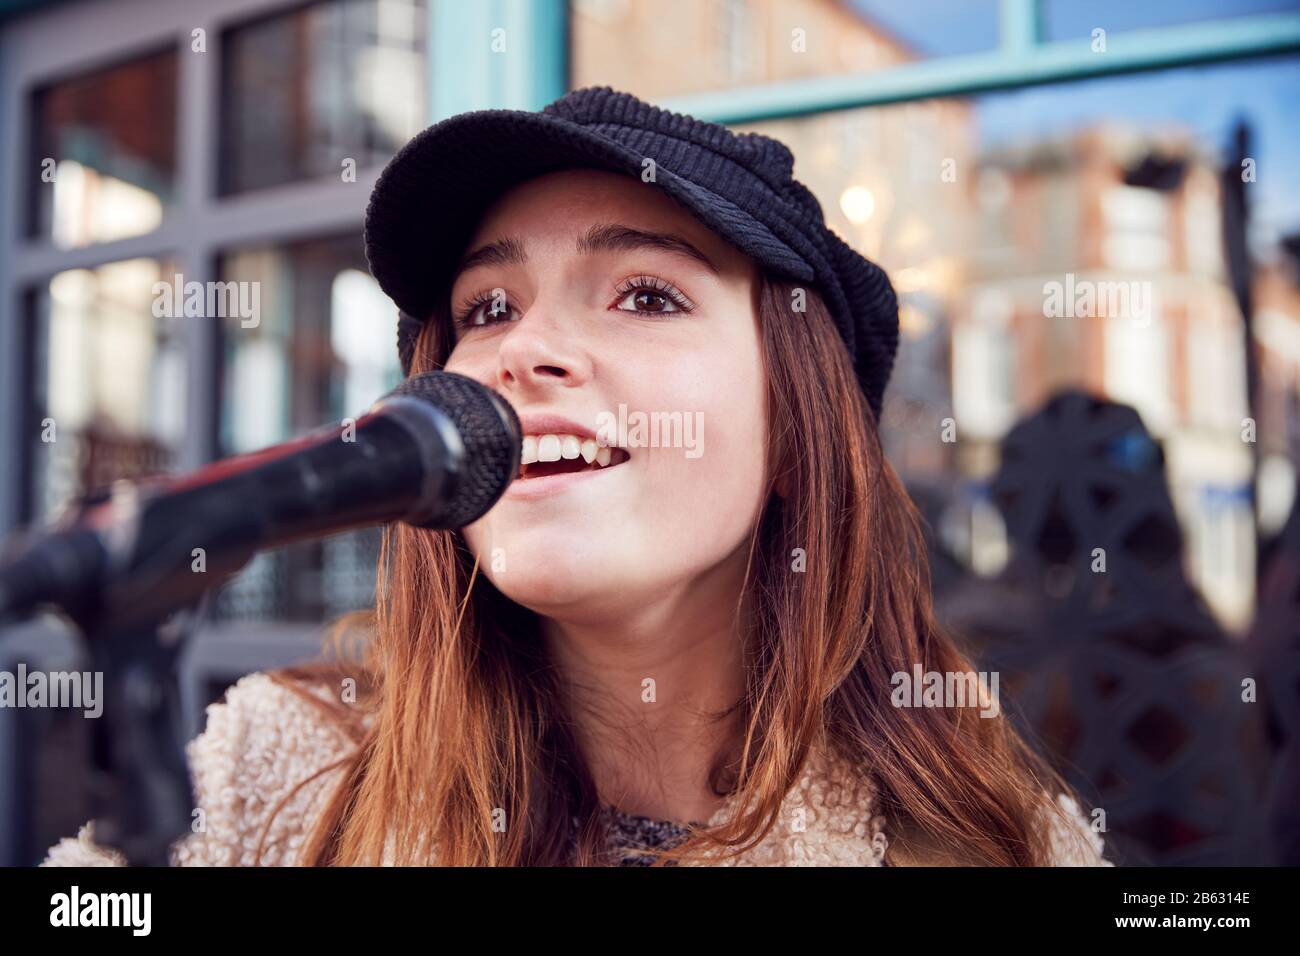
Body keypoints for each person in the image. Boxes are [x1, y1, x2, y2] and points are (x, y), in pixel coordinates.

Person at [43, 86, 1110, 867]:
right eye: (488, 308)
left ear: (796, 427)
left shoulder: (1002, 845)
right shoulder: (272, 775)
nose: (522, 349)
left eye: (645, 293)